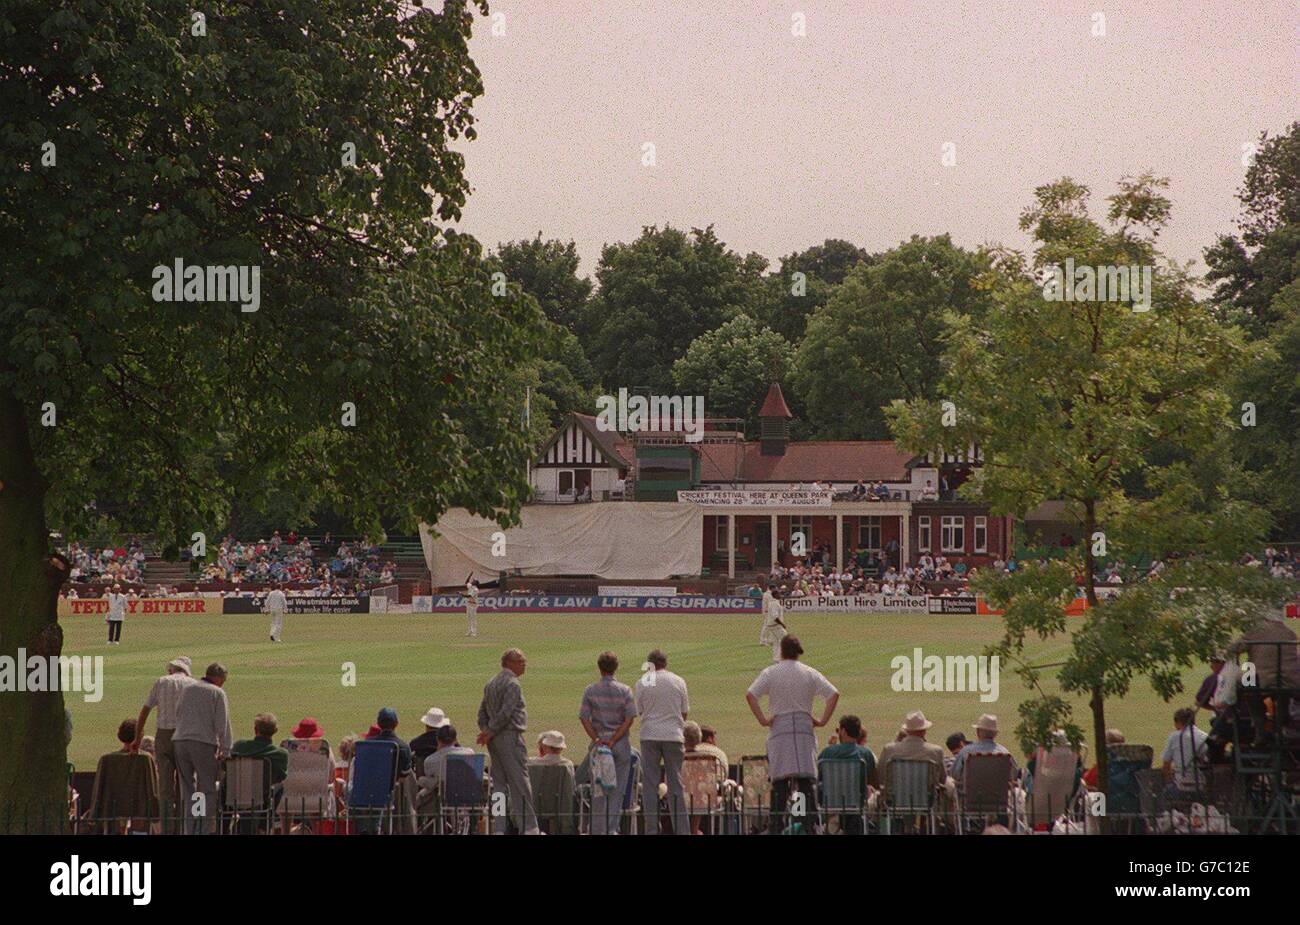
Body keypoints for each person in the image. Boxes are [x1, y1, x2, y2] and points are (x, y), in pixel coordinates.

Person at [746, 635, 839, 834]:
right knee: (805, 783)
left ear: (781, 651)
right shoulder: (809, 672)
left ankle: (778, 826)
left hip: (780, 730)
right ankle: (807, 825)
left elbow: (751, 695)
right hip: (804, 729)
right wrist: (822, 721)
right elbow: (833, 694)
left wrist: (763, 719)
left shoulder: (771, 672)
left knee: (780, 784)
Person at [130, 655, 197, 833]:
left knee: (165, 787)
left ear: (171, 669)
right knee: (185, 785)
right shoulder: (194, 685)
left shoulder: (161, 682)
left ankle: (168, 829)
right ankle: (184, 828)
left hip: (164, 736)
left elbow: (145, 711)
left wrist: (137, 738)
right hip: (185, 737)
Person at [476, 648, 539, 834]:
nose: (524, 664)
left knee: (499, 785)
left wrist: (486, 731)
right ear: (509, 663)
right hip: (509, 737)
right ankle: (529, 827)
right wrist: (490, 731)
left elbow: (482, 712)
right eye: (521, 661)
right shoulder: (512, 684)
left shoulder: (491, 683)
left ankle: (499, 827)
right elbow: (507, 712)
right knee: (520, 783)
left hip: (494, 740)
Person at [578, 650, 637, 835]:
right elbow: (629, 719)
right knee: (616, 792)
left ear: (599, 668)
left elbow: (584, 718)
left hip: (599, 745)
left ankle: (597, 830)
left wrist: (597, 739)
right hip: (619, 744)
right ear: (616, 667)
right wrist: (614, 739)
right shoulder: (625, 690)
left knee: (599, 791)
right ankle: (611, 830)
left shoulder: (590, 690)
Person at [172, 662, 233, 834]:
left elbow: (178, 712)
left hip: (180, 740)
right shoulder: (217, 692)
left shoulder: (187, 689)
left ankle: (189, 829)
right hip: (202, 743)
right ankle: (204, 830)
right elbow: (223, 724)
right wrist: (226, 750)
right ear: (219, 678)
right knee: (206, 788)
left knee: (187, 789)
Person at [635, 648, 691, 835]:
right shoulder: (678, 681)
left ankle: (651, 829)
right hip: (673, 735)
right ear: (665, 663)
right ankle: (682, 831)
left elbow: (641, 711)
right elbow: (684, 713)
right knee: (676, 783)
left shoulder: (642, 682)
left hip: (649, 735)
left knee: (650, 784)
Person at [876, 710, 955, 822]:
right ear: (924, 731)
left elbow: (880, 777)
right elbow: (942, 779)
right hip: (927, 800)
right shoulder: (935, 751)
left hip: (894, 799)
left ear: (907, 730)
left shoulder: (889, 750)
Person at [818, 715, 877, 833]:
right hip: (856, 802)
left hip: (830, 801)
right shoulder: (866, 753)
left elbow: (819, 777)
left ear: (843, 731)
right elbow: (873, 780)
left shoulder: (827, 752)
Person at [950, 714, 1017, 797]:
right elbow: (1014, 774)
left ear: (978, 732)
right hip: (998, 801)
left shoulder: (966, 752)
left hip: (970, 800)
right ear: (995, 734)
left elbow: (954, 774)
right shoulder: (1005, 753)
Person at [1161, 707, 1208, 797]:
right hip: (1202, 785)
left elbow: (1166, 765)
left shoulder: (1174, 737)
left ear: (1178, 722)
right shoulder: (1204, 736)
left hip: (1181, 786)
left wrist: (1168, 780)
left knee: (1164, 792)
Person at [370, 707, 412, 776]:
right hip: (392, 785)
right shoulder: (403, 747)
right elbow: (406, 772)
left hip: (369, 784)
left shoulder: (367, 744)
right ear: (396, 723)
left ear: (378, 723)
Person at [758, 577, 787, 661]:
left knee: (776, 642)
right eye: (779, 594)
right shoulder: (774, 602)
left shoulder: (774, 602)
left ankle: (776, 659)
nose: (781, 595)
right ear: (775, 595)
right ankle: (781, 657)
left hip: (772, 624)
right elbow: (775, 616)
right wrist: (782, 624)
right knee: (784, 640)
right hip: (776, 625)